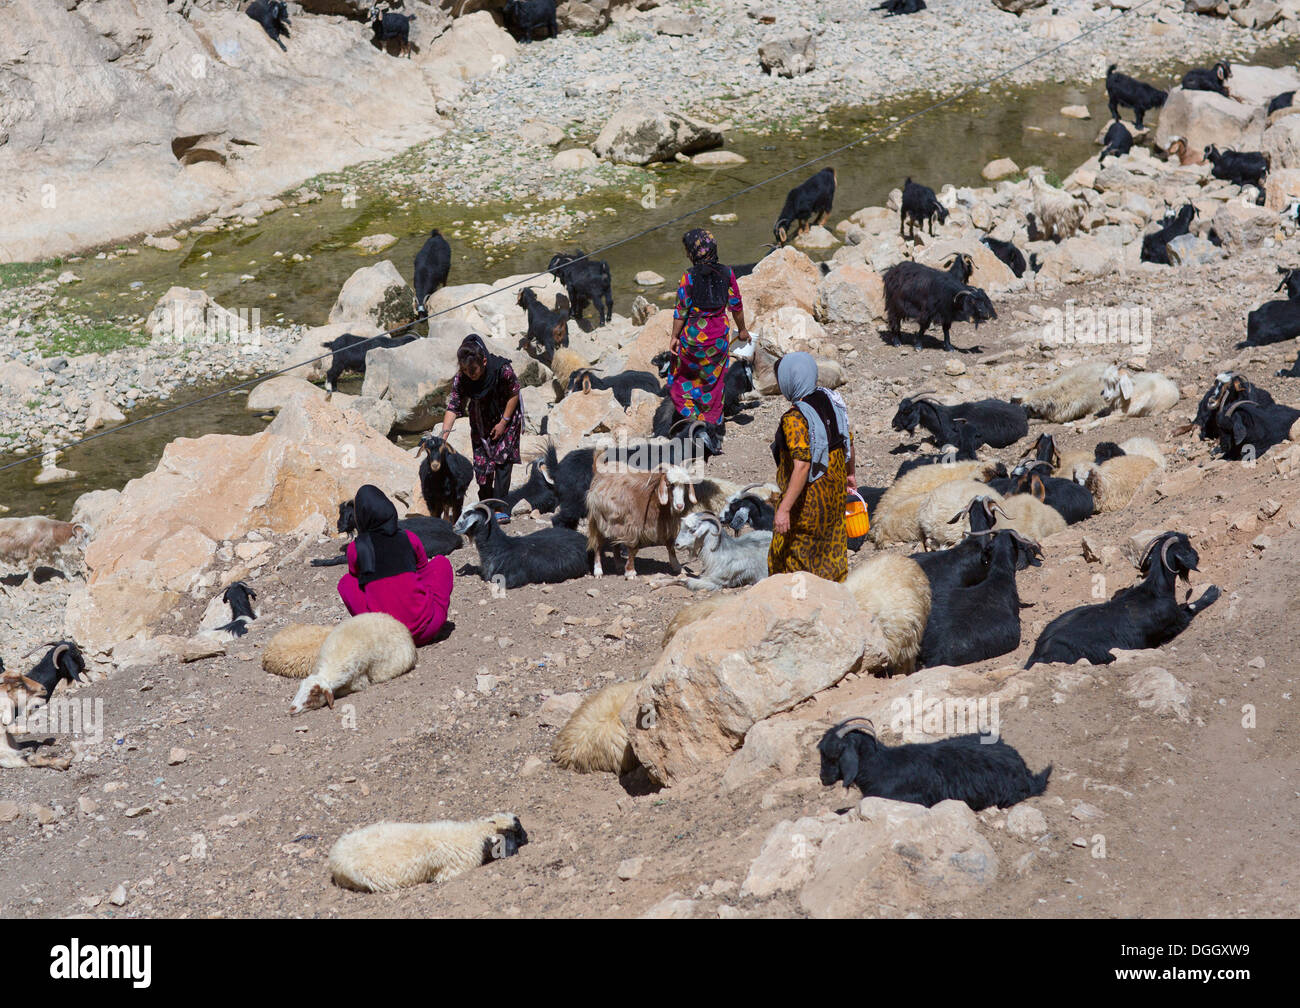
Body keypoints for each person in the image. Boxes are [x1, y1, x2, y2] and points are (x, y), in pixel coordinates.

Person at [767, 352, 857, 584]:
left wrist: (784, 509)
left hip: (807, 501)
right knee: (831, 547)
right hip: (834, 492)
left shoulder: (794, 418)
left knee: (791, 556)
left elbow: (803, 465)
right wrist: (850, 474)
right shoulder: (832, 400)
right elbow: (848, 439)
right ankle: (835, 598)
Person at [336, 485, 453, 647]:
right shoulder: (409, 538)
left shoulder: (356, 549)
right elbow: (424, 572)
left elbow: (356, 579)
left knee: (346, 583)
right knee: (441, 563)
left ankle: (373, 630)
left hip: (388, 639)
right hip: (428, 629)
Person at [666, 228, 751, 428]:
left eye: (688, 250)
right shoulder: (728, 273)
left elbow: (681, 310)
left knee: (684, 375)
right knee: (714, 382)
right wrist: (743, 330)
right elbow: (736, 306)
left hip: (693, 340)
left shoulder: (689, 277)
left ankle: (691, 416)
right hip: (718, 338)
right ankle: (712, 422)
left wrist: (674, 336)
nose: (687, 254)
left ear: (693, 253)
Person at [441, 333, 522, 521]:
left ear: (484, 361)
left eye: (474, 370)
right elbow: (453, 406)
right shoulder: (462, 378)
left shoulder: (503, 370)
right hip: (480, 418)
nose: (471, 375)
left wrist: (503, 422)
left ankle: (500, 507)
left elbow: (514, 392)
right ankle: (486, 504)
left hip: (506, 415)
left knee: (502, 460)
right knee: (482, 464)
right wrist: (442, 439)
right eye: (466, 371)